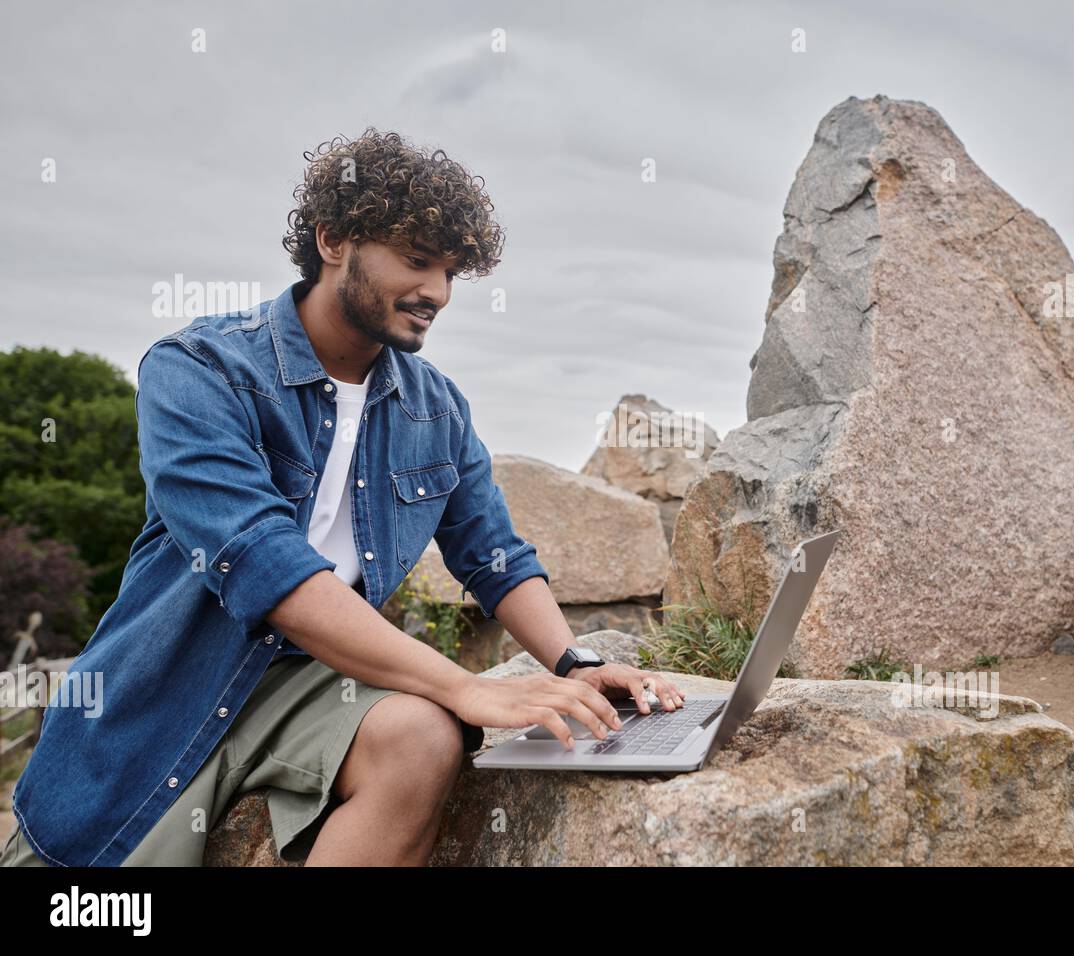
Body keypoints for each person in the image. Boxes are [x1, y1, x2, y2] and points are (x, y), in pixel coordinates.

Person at [2, 128, 684, 868]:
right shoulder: (198, 368)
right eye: (418, 260)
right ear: (332, 240)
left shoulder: (437, 408)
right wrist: (466, 687)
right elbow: (264, 564)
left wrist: (576, 664)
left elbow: (495, 557)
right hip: (160, 699)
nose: (438, 293)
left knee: (426, 735)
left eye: (453, 271)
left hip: (316, 688)